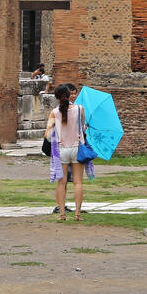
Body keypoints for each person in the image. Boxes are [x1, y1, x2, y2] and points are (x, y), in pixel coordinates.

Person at [45, 83, 88, 221]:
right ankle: (77, 214)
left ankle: (62, 213)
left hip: (61, 148)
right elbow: (82, 127)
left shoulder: (54, 112)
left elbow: (47, 134)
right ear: (69, 95)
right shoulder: (80, 109)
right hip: (77, 147)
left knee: (61, 183)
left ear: (57, 97)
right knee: (78, 182)